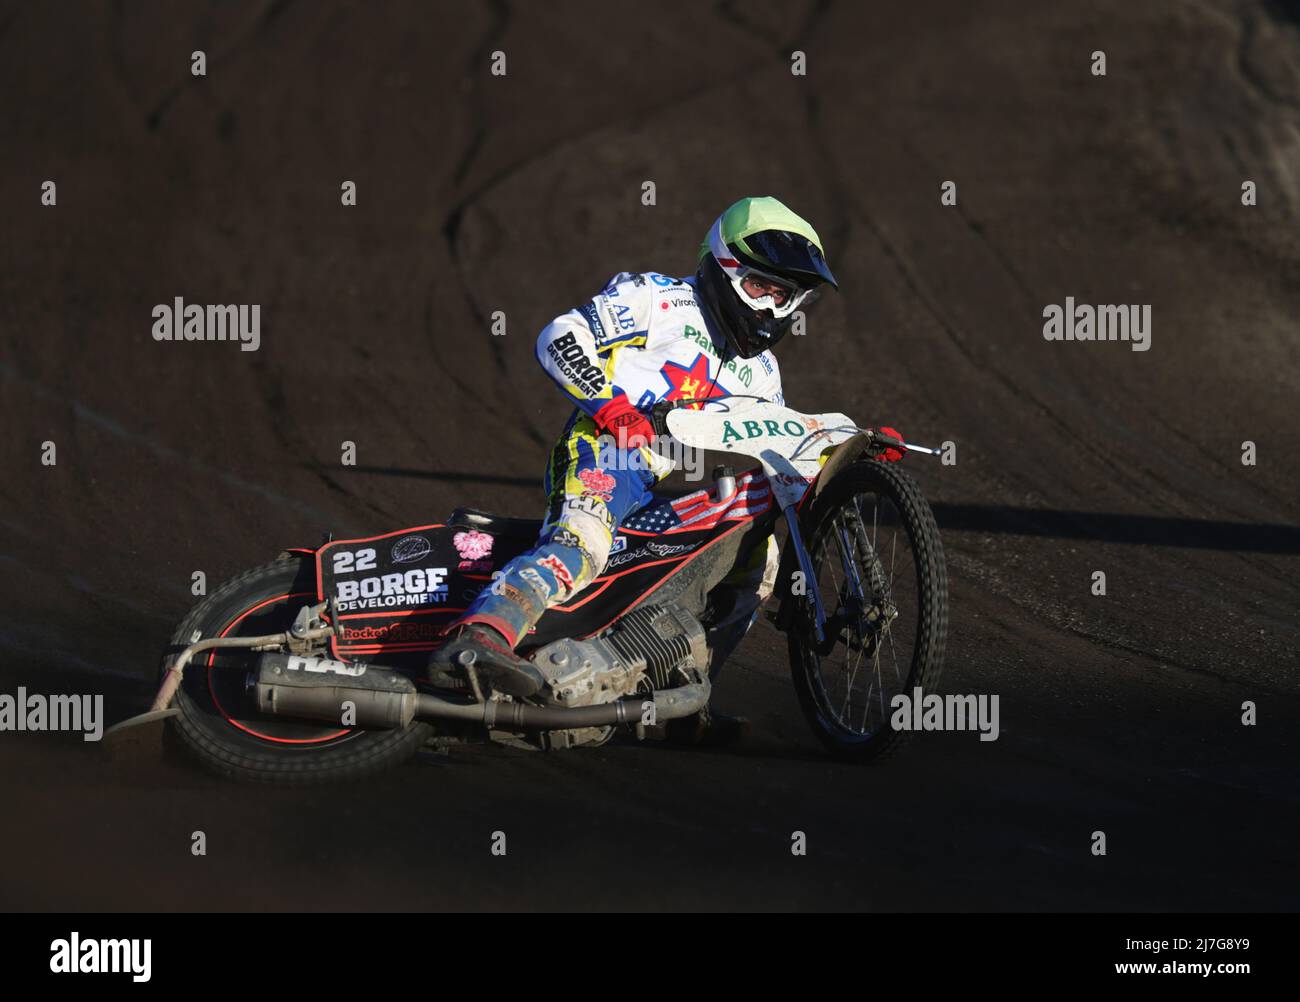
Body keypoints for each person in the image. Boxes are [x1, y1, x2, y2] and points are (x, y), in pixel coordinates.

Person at [428, 195, 850, 703]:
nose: (769, 306)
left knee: (758, 561)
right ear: (722, 267)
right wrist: (611, 407)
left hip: (681, 481)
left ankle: (685, 695)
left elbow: (781, 449)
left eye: (784, 296)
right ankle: (480, 638)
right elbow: (560, 336)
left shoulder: (763, 372)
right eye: (760, 286)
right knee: (582, 542)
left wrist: (843, 453)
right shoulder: (660, 299)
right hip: (605, 450)